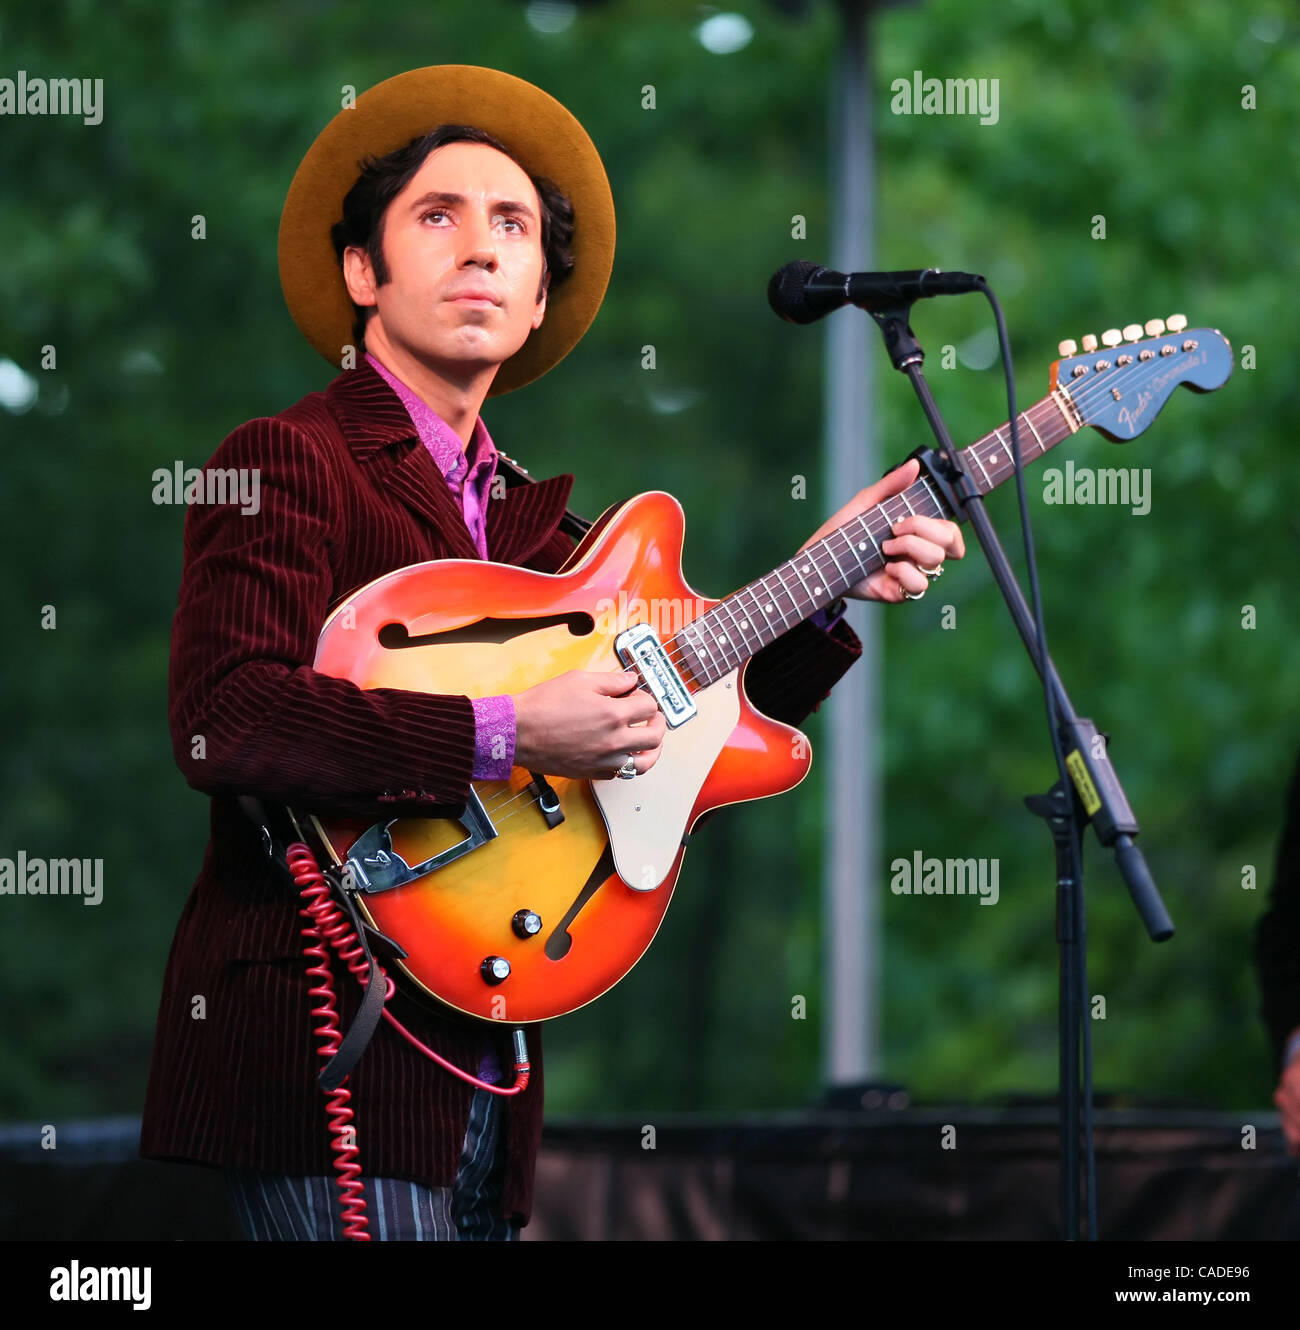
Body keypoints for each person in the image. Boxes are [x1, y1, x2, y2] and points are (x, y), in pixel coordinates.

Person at [138, 65, 965, 1242]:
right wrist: (510, 730)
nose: (481, 248)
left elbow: (691, 726)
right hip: (314, 1041)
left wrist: (832, 578)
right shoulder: (283, 456)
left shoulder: (555, 540)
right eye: (439, 217)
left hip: (489, 1051)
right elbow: (225, 713)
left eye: (513, 227)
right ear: (362, 275)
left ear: (537, 305)